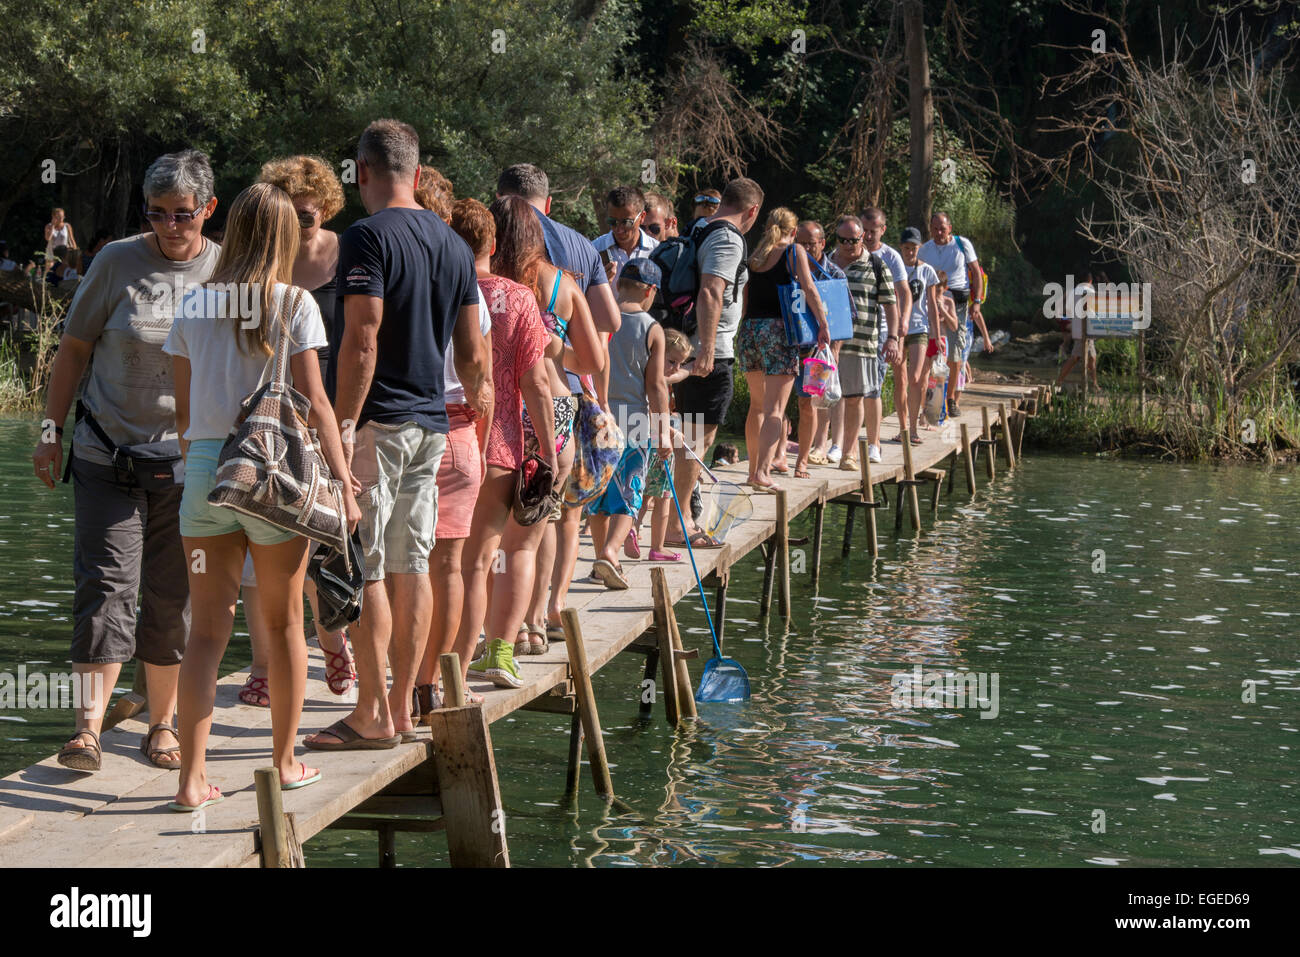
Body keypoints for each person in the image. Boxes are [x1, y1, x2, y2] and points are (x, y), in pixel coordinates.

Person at [164, 182, 360, 810]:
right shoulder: (294, 302)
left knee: (205, 635)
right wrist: (344, 484)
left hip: (205, 476)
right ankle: (283, 762)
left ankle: (191, 781)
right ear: (280, 239)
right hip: (274, 477)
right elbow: (315, 404)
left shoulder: (192, 305)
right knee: (282, 624)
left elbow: (185, 413)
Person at [33, 149, 220, 774]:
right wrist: (49, 429)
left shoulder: (226, 274)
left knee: (171, 598)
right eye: (158, 214)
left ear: (208, 210)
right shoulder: (116, 262)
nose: (170, 226)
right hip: (104, 453)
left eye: (183, 215)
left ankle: (160, 725)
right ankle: (87, 731)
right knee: (106, 589)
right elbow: (73, 349)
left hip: (184, 465)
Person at [306, 119, 490, 750]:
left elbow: (361, 338)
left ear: (361, 173)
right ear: (417, 172)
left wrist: (343, 423)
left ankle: (371, 715)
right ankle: (404, 711)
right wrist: (478, 416)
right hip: (433, 422)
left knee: (369, 567)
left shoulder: (364, 237)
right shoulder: (454, 244)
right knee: (414, 565)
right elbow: (472, 354)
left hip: (377, 421)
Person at [240, 154, 356, 707]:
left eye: (306, 217)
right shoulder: (267, 261)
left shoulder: (347, 254)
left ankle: (331, 640)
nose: (297, 225)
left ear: (326, 210)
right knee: (255, 558)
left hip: (326, 413)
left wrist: (347, 423)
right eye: (287, 215)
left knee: (313, 543)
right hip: (266, 418)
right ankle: (263, 663)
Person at [494, 163, 614, 644]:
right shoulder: (564, 283)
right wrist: (553, 345)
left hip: (506, 406)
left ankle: (494, 632)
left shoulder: (492, 281)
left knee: (496, 528)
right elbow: (594, 356)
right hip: (558, 407)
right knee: (540, 521)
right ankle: (533, 623)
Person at [456, 197, 556, 691]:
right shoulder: (517, 297)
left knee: (446, 562)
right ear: (492, 246)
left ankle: (446, 660)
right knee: (494, 556)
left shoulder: (438, 288)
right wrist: (551, 452)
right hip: (500, 443)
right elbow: (537, 384)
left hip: (445, 439)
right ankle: (499, 651)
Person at [410, 185, 493, 719]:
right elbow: (477, 367)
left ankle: (401, 691)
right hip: (460, 427)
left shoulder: (392, 268)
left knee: (401, 568)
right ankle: (437, 685)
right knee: (449, 568)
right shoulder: (469, 285)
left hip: (405, 424)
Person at [667, 177, 762, 547]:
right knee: (697, 440)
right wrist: (706, 348)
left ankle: (677, 519)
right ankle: (680, 525)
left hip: (692, 344)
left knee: (689, 437)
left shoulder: (702, 228)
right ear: (752, 211)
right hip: (711, 350)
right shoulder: (727, 237)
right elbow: (710, 289)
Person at [586, 259, 675, 588]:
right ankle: (611, 550)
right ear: (651, 291)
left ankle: (599, 560)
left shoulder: (598, 318)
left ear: (619, 284)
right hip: (634, 422)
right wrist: (663, 430)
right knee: (630, 493)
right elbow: (656, 386)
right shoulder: (652, 328)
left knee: (598, 496)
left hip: (596, 417)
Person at [738, 207, 828, 490]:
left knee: (756, 407)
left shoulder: (755, 256)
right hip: (778, 332)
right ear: (793, 230)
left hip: (750, 330)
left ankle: (753, 469)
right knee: (776, 409)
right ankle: (762, 474)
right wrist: (824, 325)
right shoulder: (794, 252)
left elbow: (745, 297)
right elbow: (810, 290)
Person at [831, 215, 900, 467]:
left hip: (863, 344)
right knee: (830, 396)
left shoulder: (876, 265)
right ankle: (833, 445)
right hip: (829, 345)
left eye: (854, 240)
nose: (849, 245)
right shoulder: (826, 262)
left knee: (856, 397)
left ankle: (850, 452)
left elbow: (891, 306)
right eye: (843, 240)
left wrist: (892, 338)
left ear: (863, 238)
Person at [631, 326, 693, 563]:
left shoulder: (643, 373)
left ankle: (632, 530)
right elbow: (650, 410)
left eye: (680, 363)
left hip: (642, 442)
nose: (675, 368)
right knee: (664, 495)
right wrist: (669, 431)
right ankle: (657, 547)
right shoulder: (655, 382)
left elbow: (675, 375)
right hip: (658, 445)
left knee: (642, 495)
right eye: (672, 361)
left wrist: (689, 371)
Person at [792, 219, 848, 475]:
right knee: (780, 404)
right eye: (800, 244)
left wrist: (834, 350)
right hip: (790, 347)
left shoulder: (835, 274)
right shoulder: (788, 268)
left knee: (813, 402)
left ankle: (816, 450)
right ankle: (782, 451)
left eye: (810, 244)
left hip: (819, 350)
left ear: (822, 244)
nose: (804, 249)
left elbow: (844, 316)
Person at [919, 212, 988, 415]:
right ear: (930, 229)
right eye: (935, 229)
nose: (939, 232)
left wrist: (977, 302)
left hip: (957, 303)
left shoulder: (962, 244)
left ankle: (951, 399)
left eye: (942, 228)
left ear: (950, 227)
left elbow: (976, 273)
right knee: (935, 351)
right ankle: (933, 401)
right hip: (932, 302)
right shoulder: (925, 250)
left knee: (956, 353)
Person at [857, 208, 912, 445]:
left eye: (873, 231)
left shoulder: (891, 257)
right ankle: (844, 441)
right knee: (849, 388)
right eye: (865, 231)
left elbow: (904, 293)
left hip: (880, 330)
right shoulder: (848, 251)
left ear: (883, 230)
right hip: (852, 329)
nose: (868, 236)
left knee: (873, 386)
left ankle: (874, 441)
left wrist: (902, 324)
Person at [898, 227, 941, 443]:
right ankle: (903, 427)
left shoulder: (928, 271)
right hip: (896, 328)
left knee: (915, 378)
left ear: (919, 247)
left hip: (919, 328)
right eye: (906, 248)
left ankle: (913, 429)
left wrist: (937, 335)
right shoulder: (894, 269)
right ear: (901, 248)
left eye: (913, 248)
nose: (910, 252)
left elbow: (932, 305)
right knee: (900, 379)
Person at [592, 186, 658, 281]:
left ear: (642, 217)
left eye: (626, 222)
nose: (619, 229)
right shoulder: (594, 250)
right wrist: (599, 284)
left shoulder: (656, 252)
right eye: (612, 221)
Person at [1057, 270, 1099, 390]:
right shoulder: (1091, 291)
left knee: (1091, 357)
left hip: (1077, 328)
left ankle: (1094, 384)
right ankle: (1059, 381)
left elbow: (1068, 310)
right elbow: (1093, 311)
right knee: (1076, 358)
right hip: (1087, 330)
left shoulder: (1074, 292)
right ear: (1090, 281)